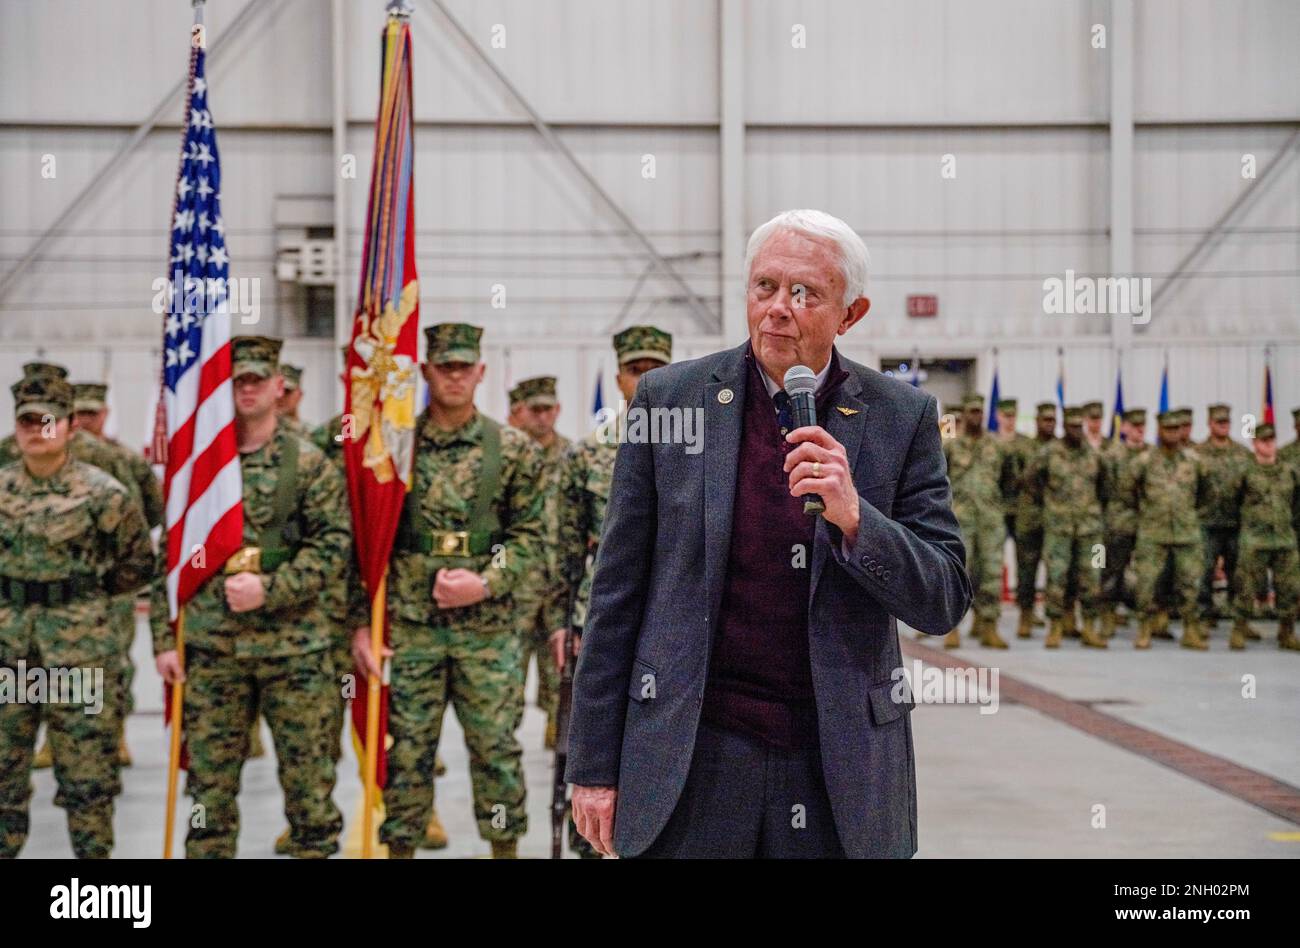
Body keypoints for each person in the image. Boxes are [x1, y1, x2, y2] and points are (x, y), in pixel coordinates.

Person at [565, 209, 970, 859]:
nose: (779, 308)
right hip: (695, 755)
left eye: (805, 293)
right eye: (765, 287)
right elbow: (617, 593)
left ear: (851, 314)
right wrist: (591, 764)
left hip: (834, 761)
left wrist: (857, 518)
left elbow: (943, 595)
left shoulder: (902, 416)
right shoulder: (671, 401)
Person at [350, 323, 547, 859]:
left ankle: (504, 850)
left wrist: (485, 581)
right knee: (408, 752)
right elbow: (366, 542)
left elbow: (532, 538)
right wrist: (361, 624)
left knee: (496, 750)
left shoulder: (512, 452)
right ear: (425, 371)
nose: (455, 376)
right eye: (445, 366)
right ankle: (401, 849)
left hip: (488, 634)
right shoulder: (392, 449)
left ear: (481, 372)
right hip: (411, 632)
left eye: (464, 366)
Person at [151, 335, 350, 858]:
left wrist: (272, 590)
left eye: (258, 379)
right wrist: (162, 639)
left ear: (278, 386)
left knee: (310, 795)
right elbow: (168, 557)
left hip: (295, 653)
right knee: (208, 797)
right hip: (215, 653)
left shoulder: (307, 466)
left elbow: (333, 549)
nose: (248, 389)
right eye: (238, 380)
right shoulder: (200, 470)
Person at [0, 374, 153, 858]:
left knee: (88, 780)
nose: (36, 429)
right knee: (4, 776)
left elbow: (137, 562)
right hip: (11, 659)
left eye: (47, 420)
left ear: (68, 427)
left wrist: (82, 600)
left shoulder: (103, 494)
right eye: (27, 420)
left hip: (80, 657)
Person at [554, 325, 672, 859]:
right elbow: (564, 551)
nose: (644, 378)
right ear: (620, 376)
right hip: (600, 624)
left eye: (655, 367)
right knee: (594, 752)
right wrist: (561, 623)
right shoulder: (587, 455)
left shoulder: (697, 443)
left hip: (673, 620)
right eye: (635, 369)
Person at [505, 376, 571, 750]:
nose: (543, 416)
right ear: (519, 412)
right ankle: (503, 736)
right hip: (516, 587)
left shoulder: (572, 455)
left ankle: (559, 744)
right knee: (508, 671)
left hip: (557, 584)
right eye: (535, 409)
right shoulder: (508, 456)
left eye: (549, 408)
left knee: (558, 673)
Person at [1023, 406, 1108, 648]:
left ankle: (1090, 627)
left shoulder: (1094, 455)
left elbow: (1106, 486)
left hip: (1092, 532)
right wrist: (1051, 504)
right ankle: (1055, 627)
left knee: (1093, 575)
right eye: (1071, 426)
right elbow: (1030, 480)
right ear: (1064, 427)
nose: (1076, 431)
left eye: (1079, 426)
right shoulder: (1049, 453)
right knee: (1056, 577)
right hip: (1058, 529)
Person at [1130, 410, 1209, 650]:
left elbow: (1205, 494)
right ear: (1159, 431)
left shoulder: (1194, 461)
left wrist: (1190, 515)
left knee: (1191, 583)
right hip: (1153, 531)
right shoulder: (1143, 462)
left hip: (1186, 531)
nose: (1173, 434)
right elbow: (1130, 493)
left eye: (1177, 429)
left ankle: (1190, 630)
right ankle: (1144, 629)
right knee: (1146, 583)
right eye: (1168, 429)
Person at [942, 393, 1009, 648]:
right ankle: (953, 628)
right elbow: (938, 480)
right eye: (971, 412)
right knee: (960, 572)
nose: (975, 416)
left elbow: (1008, 480)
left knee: (991, 572)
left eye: (979, 412)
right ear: (964, 414)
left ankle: (989, 625)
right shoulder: (951, 446)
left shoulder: (996, 446)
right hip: (961, 520)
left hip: (991, 519)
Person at [1229, 424, 1300, 650]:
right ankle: (1239, 629)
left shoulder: (1289, 471)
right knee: (1246, 587)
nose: (1268, 444)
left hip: (1284, 539)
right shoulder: (1245, 471)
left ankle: (1286, 632)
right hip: (1255, 539)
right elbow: (1232, 501)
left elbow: (1296, 501)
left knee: (1289, 588)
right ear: (1255, 444)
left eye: (1271, 440)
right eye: (1263, 441)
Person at [1196, 404, 1251, 625]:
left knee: (1238, 570)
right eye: (1219, 422)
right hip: (1206, 521)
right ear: (1210, 424)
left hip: (1234, 521)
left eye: (1226, 422)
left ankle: (1240, 618)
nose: (1223, 426)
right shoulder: (1197, 453)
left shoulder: (1242, 453)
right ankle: (1204, 615)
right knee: (1204, 569)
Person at [1099, 408, 1148, 637]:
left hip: (1148, 525)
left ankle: (1152, 620)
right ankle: (1107, 616)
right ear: (1124, 427)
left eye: (1142, 426)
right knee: (1110, 572)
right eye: (1134, 425)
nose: (1139, 430)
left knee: (1147, 574)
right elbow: (1102, 488)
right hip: (1117, 523)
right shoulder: (1111, 456)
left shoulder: (1152, 455)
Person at [1010, 402, 1056, 638]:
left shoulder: (1061, 449)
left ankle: (1059, 618)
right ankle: (1025, 615)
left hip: (1057, 520)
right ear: (1037, 421)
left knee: (1058, 571)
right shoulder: (1023, 448)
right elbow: (1013, 479)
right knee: (1027, 570)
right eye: (1046, 420)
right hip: (1028, 518)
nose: (1050, 424)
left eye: (1053, 420)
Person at [276, 363, 306, 436]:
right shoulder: (260, 435)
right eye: (276, 390)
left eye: (287, 391)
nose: (280, 396)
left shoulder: (315, 435)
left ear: (300, 395)